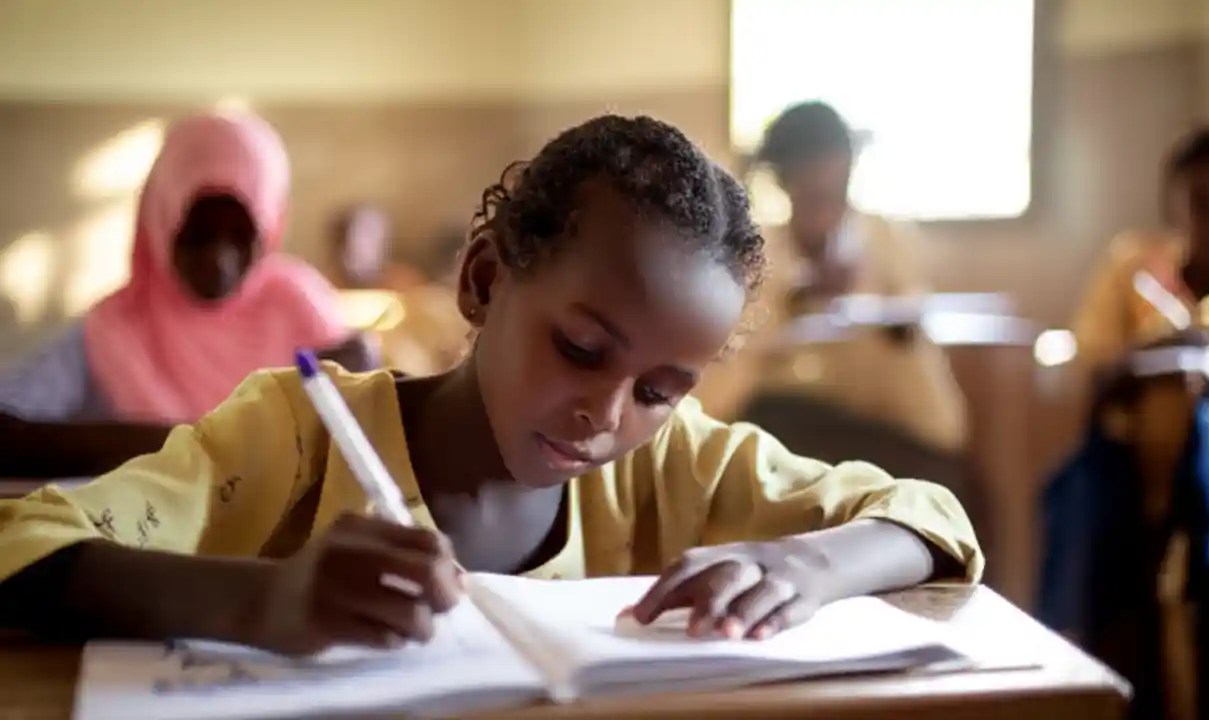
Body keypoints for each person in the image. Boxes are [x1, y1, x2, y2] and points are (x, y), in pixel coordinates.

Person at [0, 115, 981, 655]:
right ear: (481, 282)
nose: (607, 416)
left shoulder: (665, 465)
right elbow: (24, 542)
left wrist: (805, 567)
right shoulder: (294, 438)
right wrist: (264, 603)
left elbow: (925, 515)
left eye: (661, 388)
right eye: (582, 349)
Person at [0, 112, 374, 478]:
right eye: (198, 232)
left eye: (240, 234)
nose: (218, 257)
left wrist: (369, 387)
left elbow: (369, 437)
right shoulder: (113, 330)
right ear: (162, 220)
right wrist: (198, 445)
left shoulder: (301, 307)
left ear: (269, 227)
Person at [1066, 127, 1209, 720]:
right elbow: (1091, 371)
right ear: (1173, 206)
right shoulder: (1133, 269)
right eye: (1200, 201)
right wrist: (1155, 350)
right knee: (1106, 538)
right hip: (1138, 473)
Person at [695, 101, 967, 466]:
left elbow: (916, 353)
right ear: (784, 182)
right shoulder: (757, 258)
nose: (822, 206)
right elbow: (725, 381)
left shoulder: (886, 243)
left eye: (832, 190)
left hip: (888, 430)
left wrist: (863, 300)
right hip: (788, 432)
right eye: (809, 193)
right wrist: (790, 303)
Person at [327, 207, 472, 377]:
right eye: (348, 238)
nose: (358, 246)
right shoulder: (322, 294)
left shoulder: (406, 287)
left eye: (368, 237)